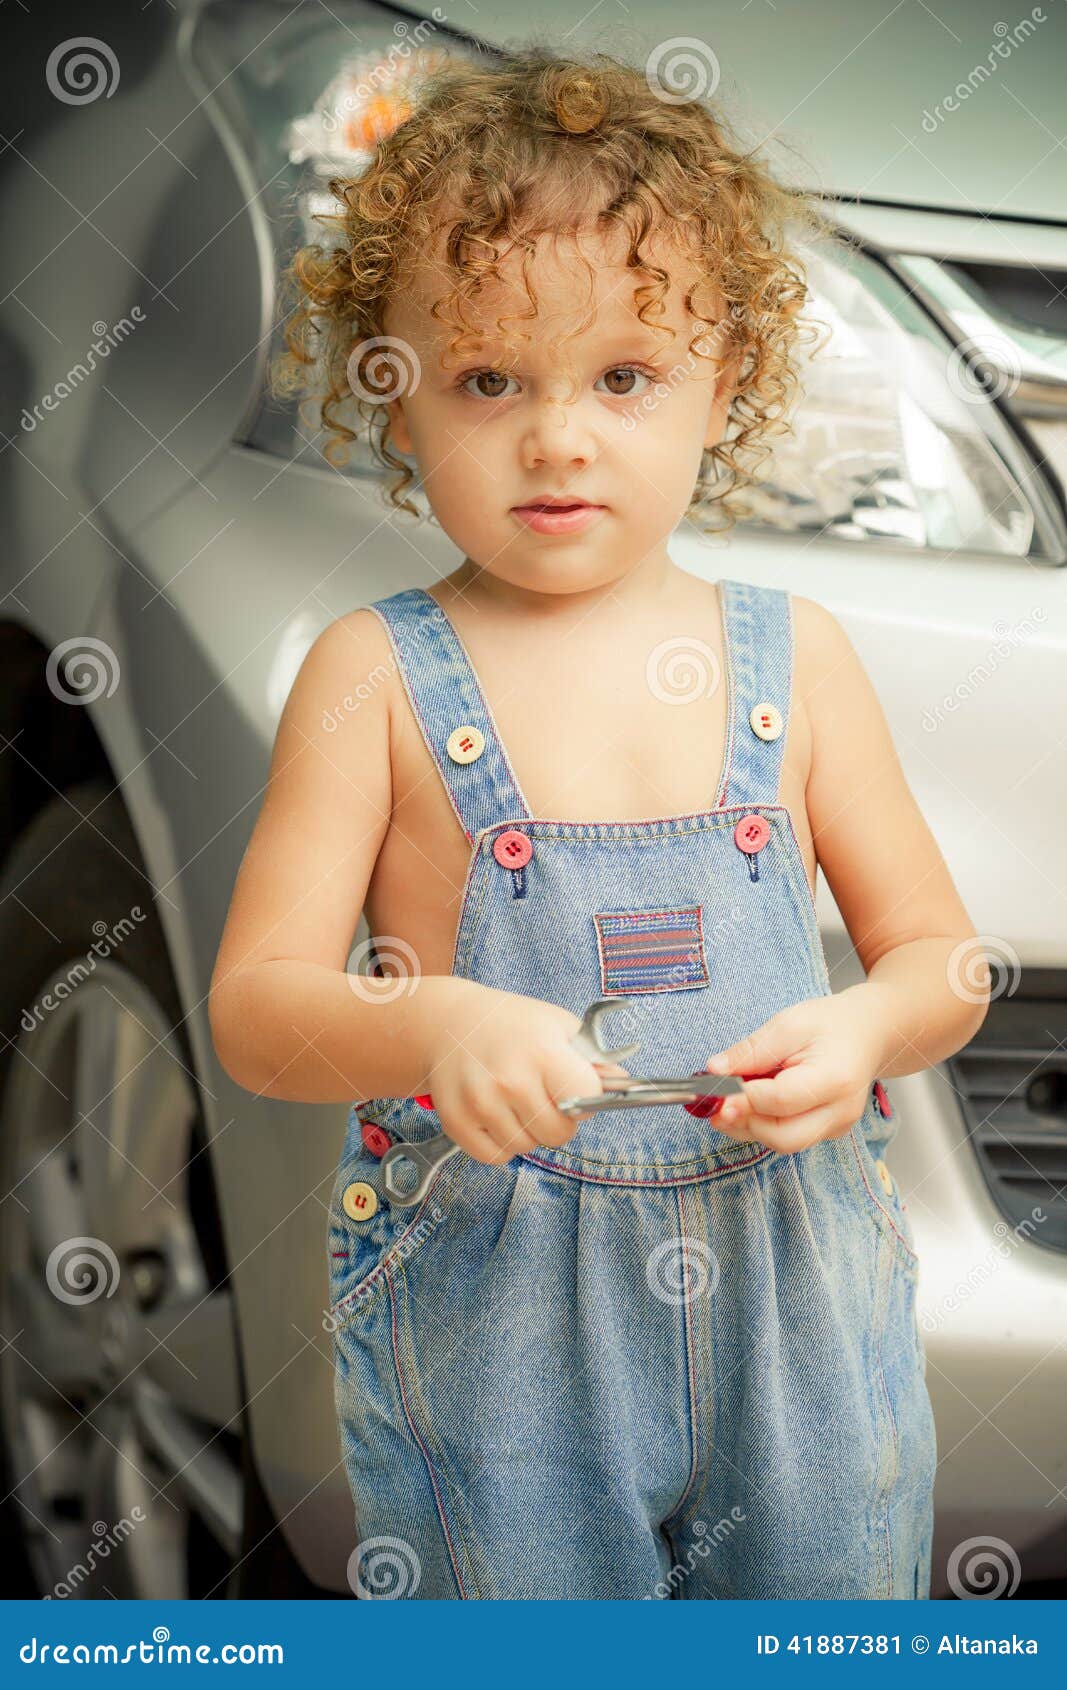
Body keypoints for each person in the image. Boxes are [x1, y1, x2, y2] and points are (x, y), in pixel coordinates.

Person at [209, 47, 991, 1600]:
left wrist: (861, 1031)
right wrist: (429, 1020)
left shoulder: (799, 658)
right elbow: (256, 1012)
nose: (558, 436)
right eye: (490, 379)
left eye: (623, 377)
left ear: (729, 385)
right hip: (499, 1322)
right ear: (393, 388)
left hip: (801, 1310)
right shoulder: (372, 676)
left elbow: (945, 963)